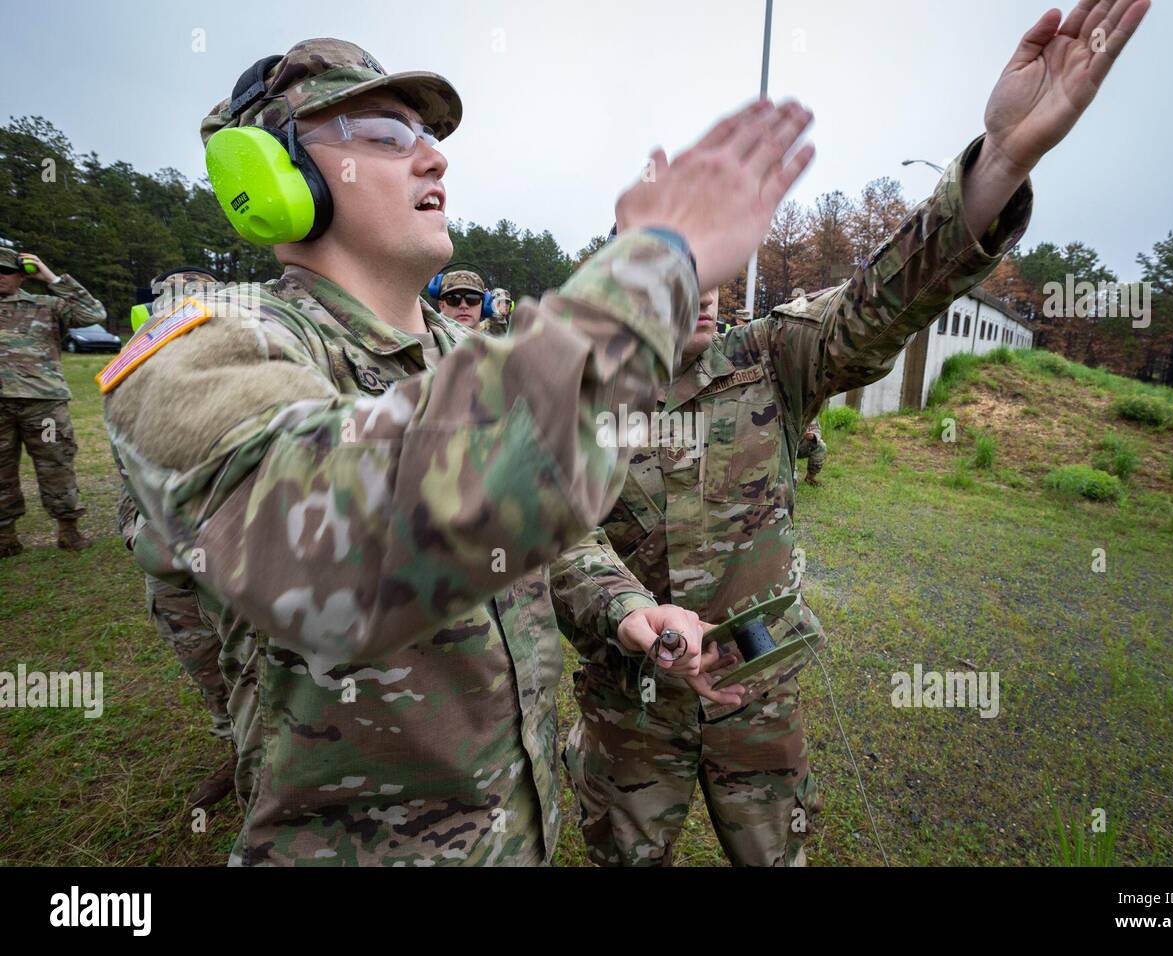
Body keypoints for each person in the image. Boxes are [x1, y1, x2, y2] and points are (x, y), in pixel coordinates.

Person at [103, 38, 814, 865]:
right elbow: (345, 535)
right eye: (383, 133)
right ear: (271, 173)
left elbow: (550, 537)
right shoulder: (203, 348)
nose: (433, 156)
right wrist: (654, 272)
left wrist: (625, 608)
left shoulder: (463, 354)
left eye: (429, 136)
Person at [557, 0, 1151, 866]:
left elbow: (879, 303)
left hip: (756, 699)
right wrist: (629, 613)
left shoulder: (769, 359)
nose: (705, 279)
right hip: (631, 711)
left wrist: (999, 163)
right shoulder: (571, 397)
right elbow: (556, 544)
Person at [116, 266, 237, 808]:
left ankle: (278, 772)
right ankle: (237, 752)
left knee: (266, 677)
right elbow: (128, 484)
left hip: (237, 573)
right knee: (207, 669)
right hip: (170, 577)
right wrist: (136, 535)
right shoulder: (130, 378)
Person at [0, 245, 105, 557]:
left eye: (5, 271)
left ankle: (68, 530)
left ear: (21, 275)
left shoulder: (46, 306)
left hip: (42, 405)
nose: (0, 278)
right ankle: (5, 536)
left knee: (56, 463)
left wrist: (49, 276)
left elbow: (94, 313)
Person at [796, 415, 827, 486]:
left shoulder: (809, 410)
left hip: (800, 445)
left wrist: (813, 436)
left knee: (821, 446)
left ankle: (810, 478)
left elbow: (817, 429)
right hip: (783, 446)